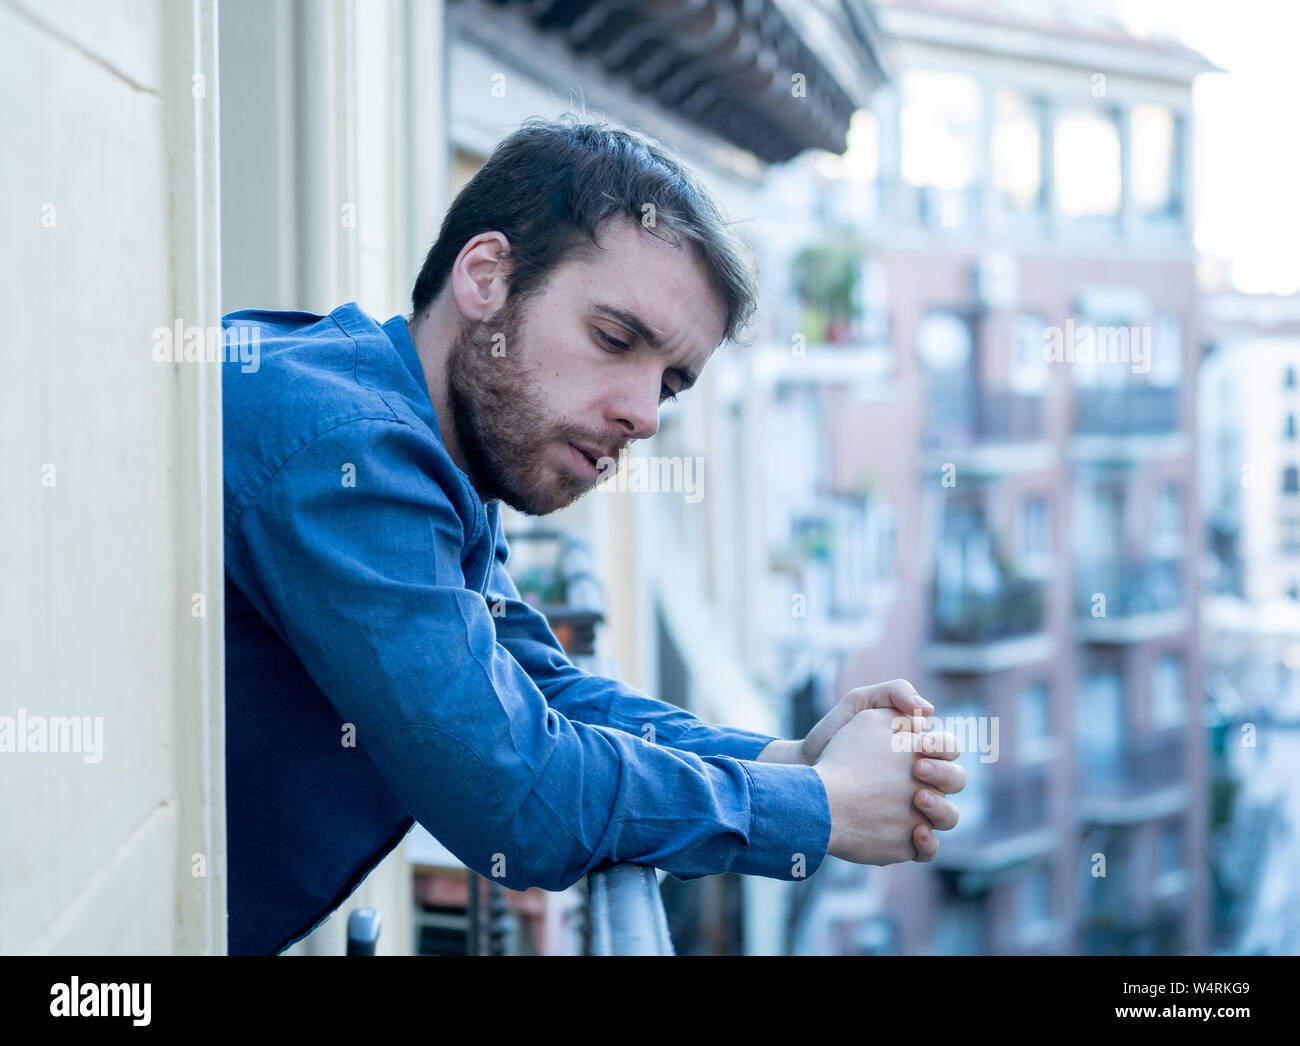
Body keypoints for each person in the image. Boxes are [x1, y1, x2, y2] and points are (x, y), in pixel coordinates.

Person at [221, 116, 965, 955]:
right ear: (486, 276)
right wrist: (818, 811)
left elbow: (541, 693)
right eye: (615, 339)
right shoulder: (345, 450)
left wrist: (787, 759)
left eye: (670, 386)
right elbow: (517, 792)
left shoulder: (431, 437)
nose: (643, 416)